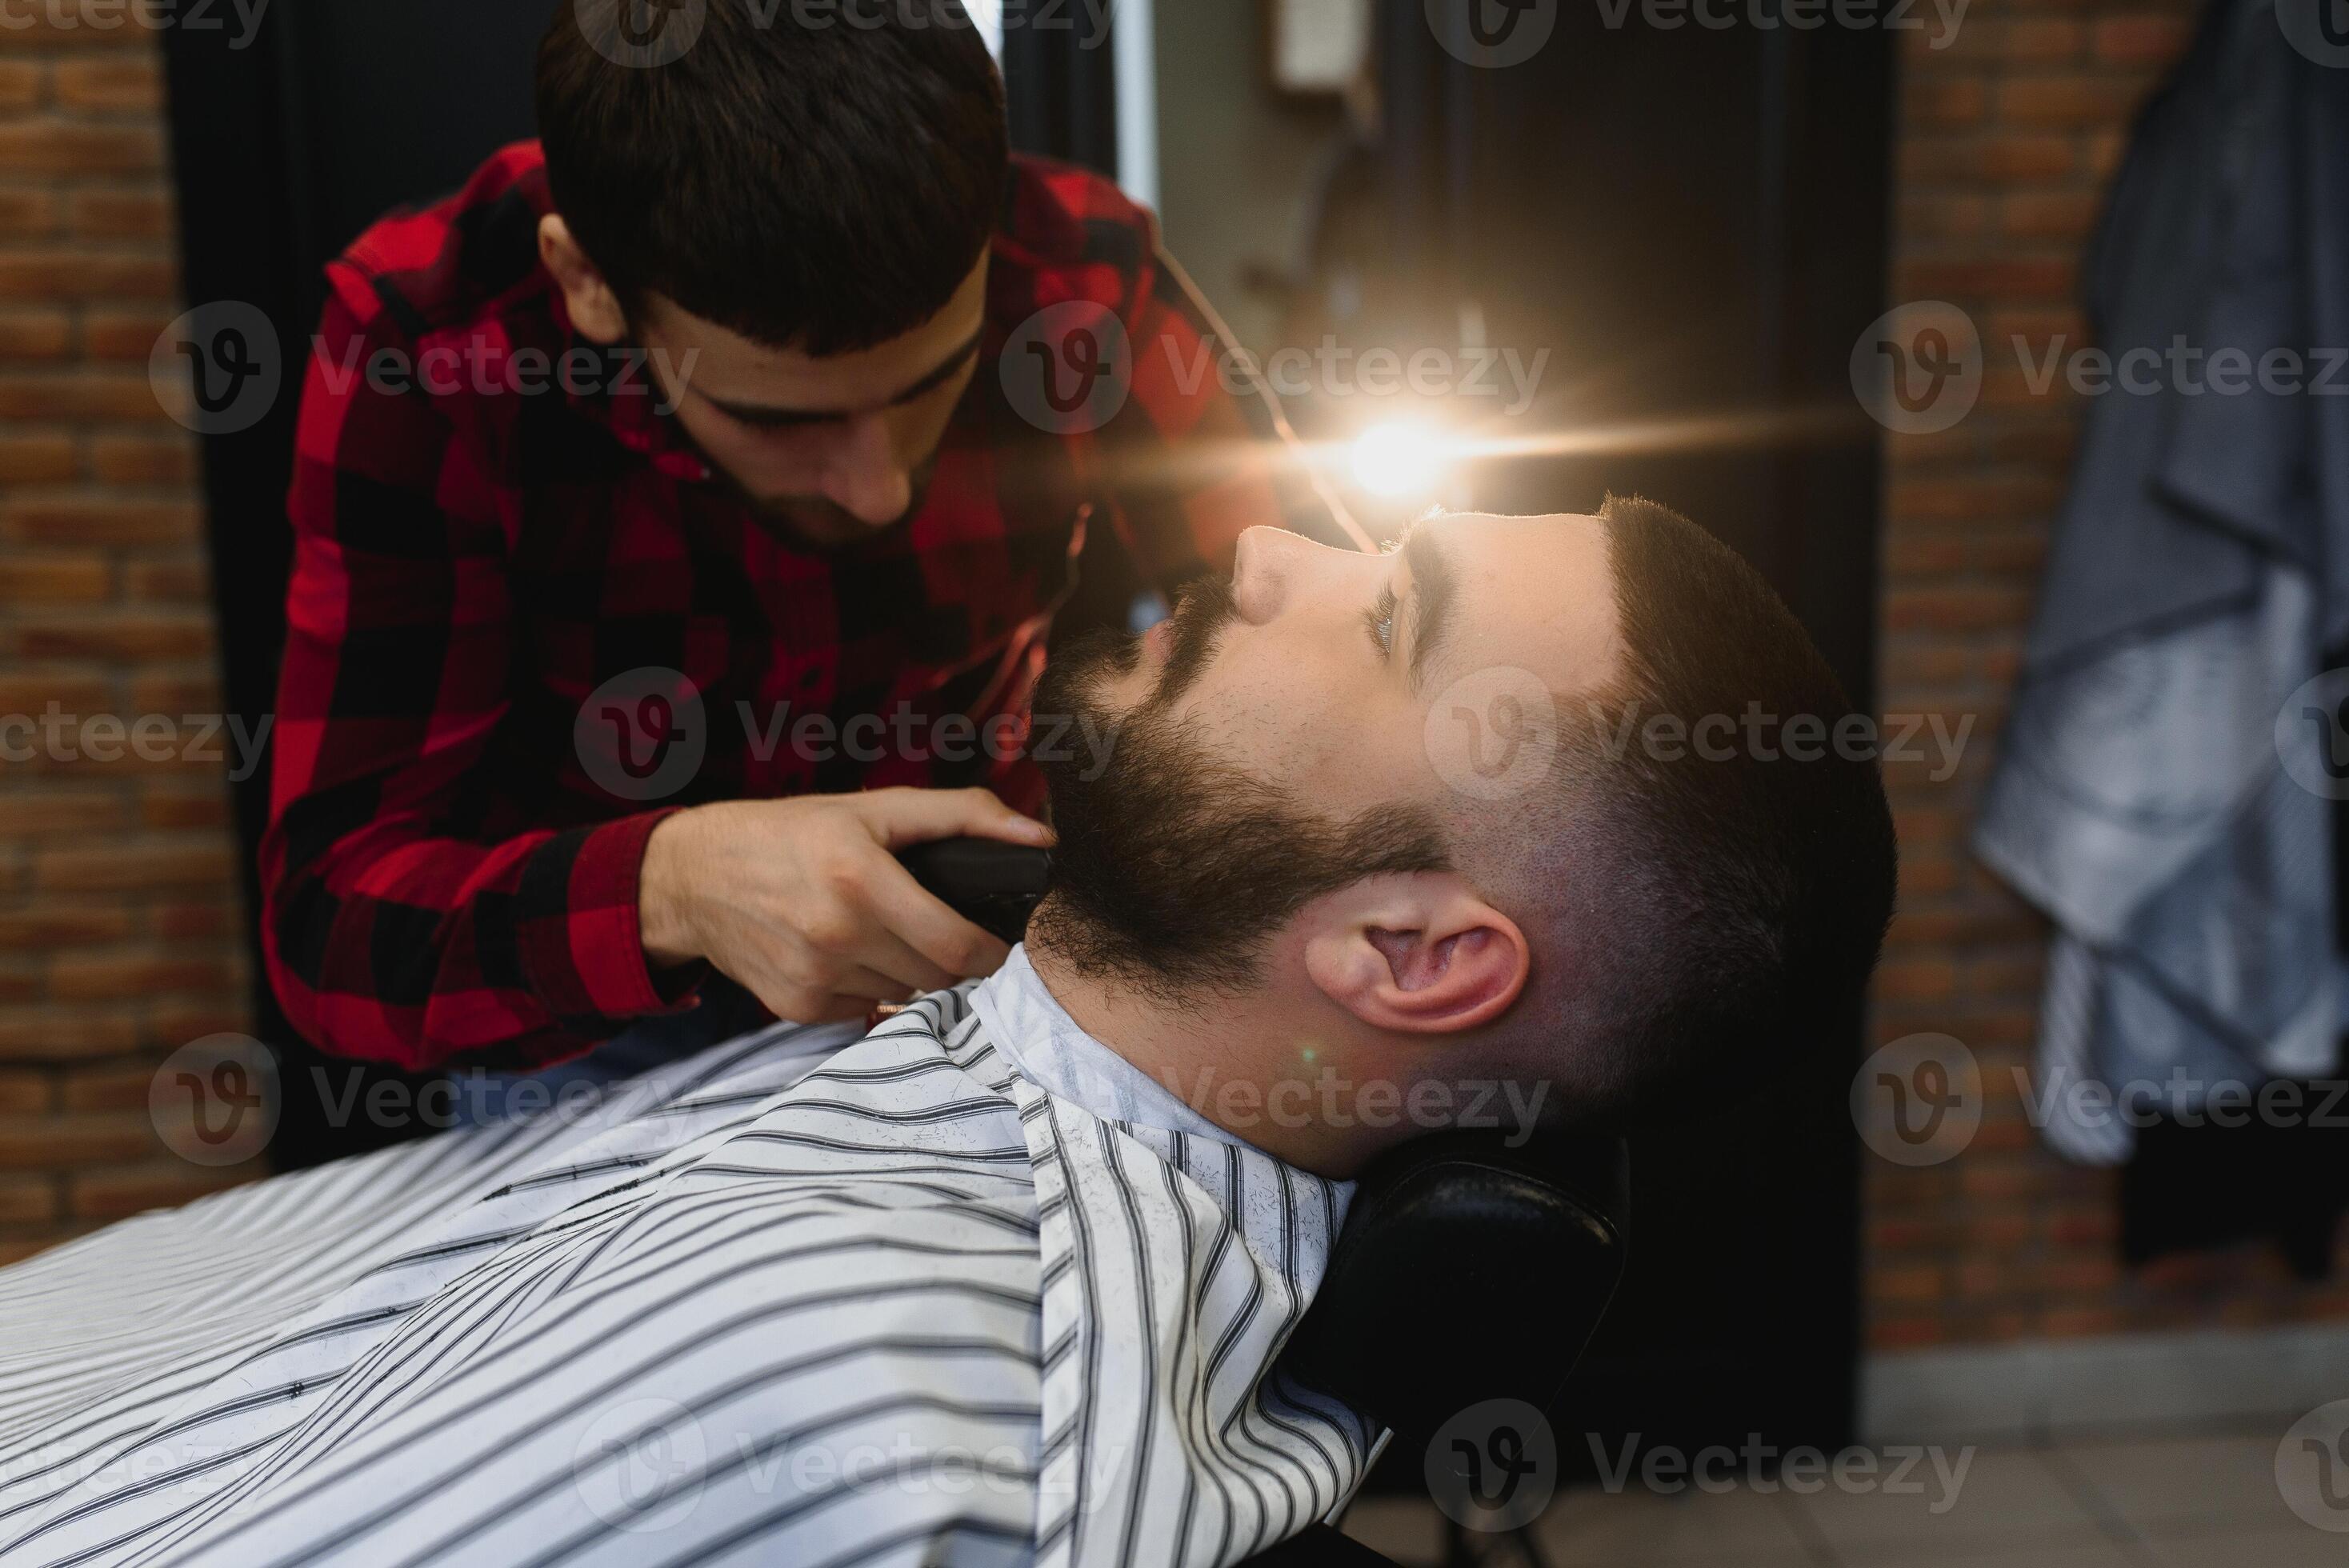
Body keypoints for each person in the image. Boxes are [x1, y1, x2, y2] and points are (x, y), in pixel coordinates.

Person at [0, 504, 1893, 1566]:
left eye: (1384, 612)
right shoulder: (976, 990)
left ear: (1408, 956)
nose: (1256, 546)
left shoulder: (928, 1430)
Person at [262, 0, 1356, 1088]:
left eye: (937, 383)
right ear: (589, 281)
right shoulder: (432, 350)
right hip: (598, 1017)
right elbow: (333, 935)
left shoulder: (1075, 266)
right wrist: (677, 885)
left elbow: (1324, 623)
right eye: (784, 421)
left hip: (982, 943)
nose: (880, 492)